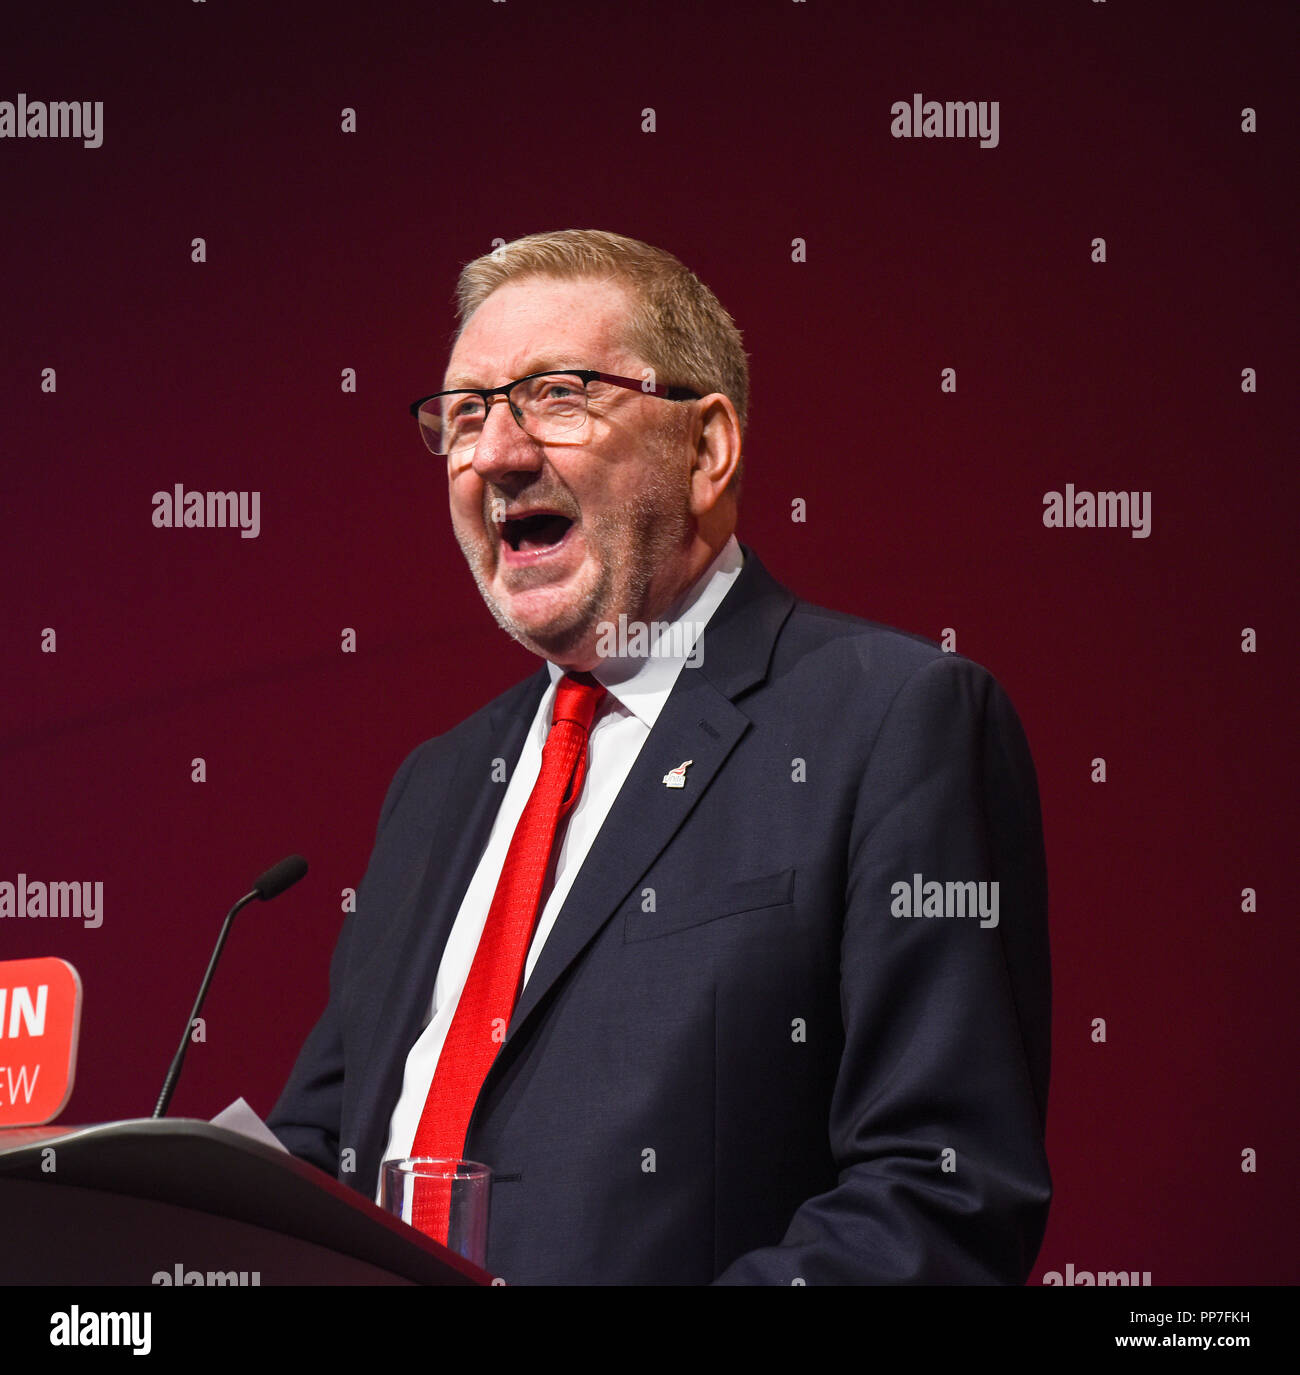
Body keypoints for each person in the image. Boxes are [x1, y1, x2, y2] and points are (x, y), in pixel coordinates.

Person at [268, 229, 1051, 1285]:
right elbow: (317, 1172)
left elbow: (939, 1195)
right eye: (463, 413)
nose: (494, 454)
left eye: (555, 395)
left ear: (708, 446)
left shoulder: (892, 722)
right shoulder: (438, 784)